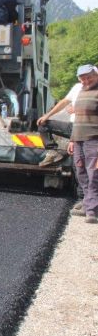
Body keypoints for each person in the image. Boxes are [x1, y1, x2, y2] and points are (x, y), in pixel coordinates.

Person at [68, 64, 98, 223]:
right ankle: (88, 204)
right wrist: (72, 139)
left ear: (95, 75)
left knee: (94, 174)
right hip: (79, 138)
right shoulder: (80, 92)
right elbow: (77, 119)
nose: (86, 80)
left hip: (94, 140)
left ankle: (92, 211)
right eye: (82, 78)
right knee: (81, 172)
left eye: (89, 77)